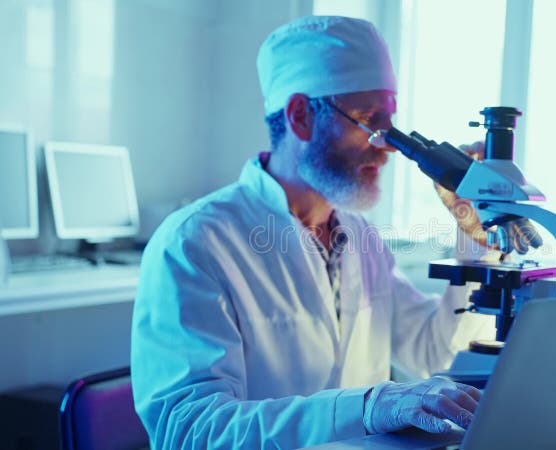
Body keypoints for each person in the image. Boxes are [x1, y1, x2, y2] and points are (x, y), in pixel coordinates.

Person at [131, 15, 500, 449]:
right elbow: (190, 433)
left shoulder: (359, 237)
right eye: (369, 121)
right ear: (301, 116)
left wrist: (474, 239)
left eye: (392, 125)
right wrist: (365, 408)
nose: (387, 148)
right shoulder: (195, 244)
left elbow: (430, 351)